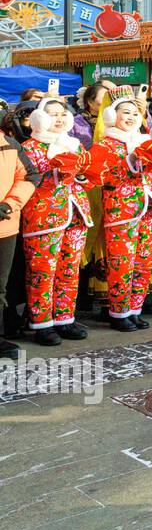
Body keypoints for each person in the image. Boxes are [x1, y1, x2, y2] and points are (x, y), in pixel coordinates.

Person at [97, 88, 152, 332]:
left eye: (134, 113)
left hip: (150, 206)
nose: (131, 117)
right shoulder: (106, 143)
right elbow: (102, 176)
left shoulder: (144, 139)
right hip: (122, 209)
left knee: (144, 260)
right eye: (125, 112)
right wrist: (130, 162)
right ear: (113, 116)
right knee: (122, 260)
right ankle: (119, 312)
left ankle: (135, 308)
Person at [19, 96, 84, 346]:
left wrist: (82, 175)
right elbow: (29, 181)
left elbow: (85, 177)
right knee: (42, 271)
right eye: (52, 113)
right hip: (44, 217)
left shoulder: (74, 144)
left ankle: (65, 317)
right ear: (39, 118)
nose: (58, 118)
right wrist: (54, 174)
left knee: (69, 268)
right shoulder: (29, 147)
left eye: (62, 113)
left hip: (76, 213)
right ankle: (42, 323)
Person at [0, 125, 33, 359]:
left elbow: (29, 176)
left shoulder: (10, 144)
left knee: (0, 285)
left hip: (5, 226)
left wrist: (10, 203)